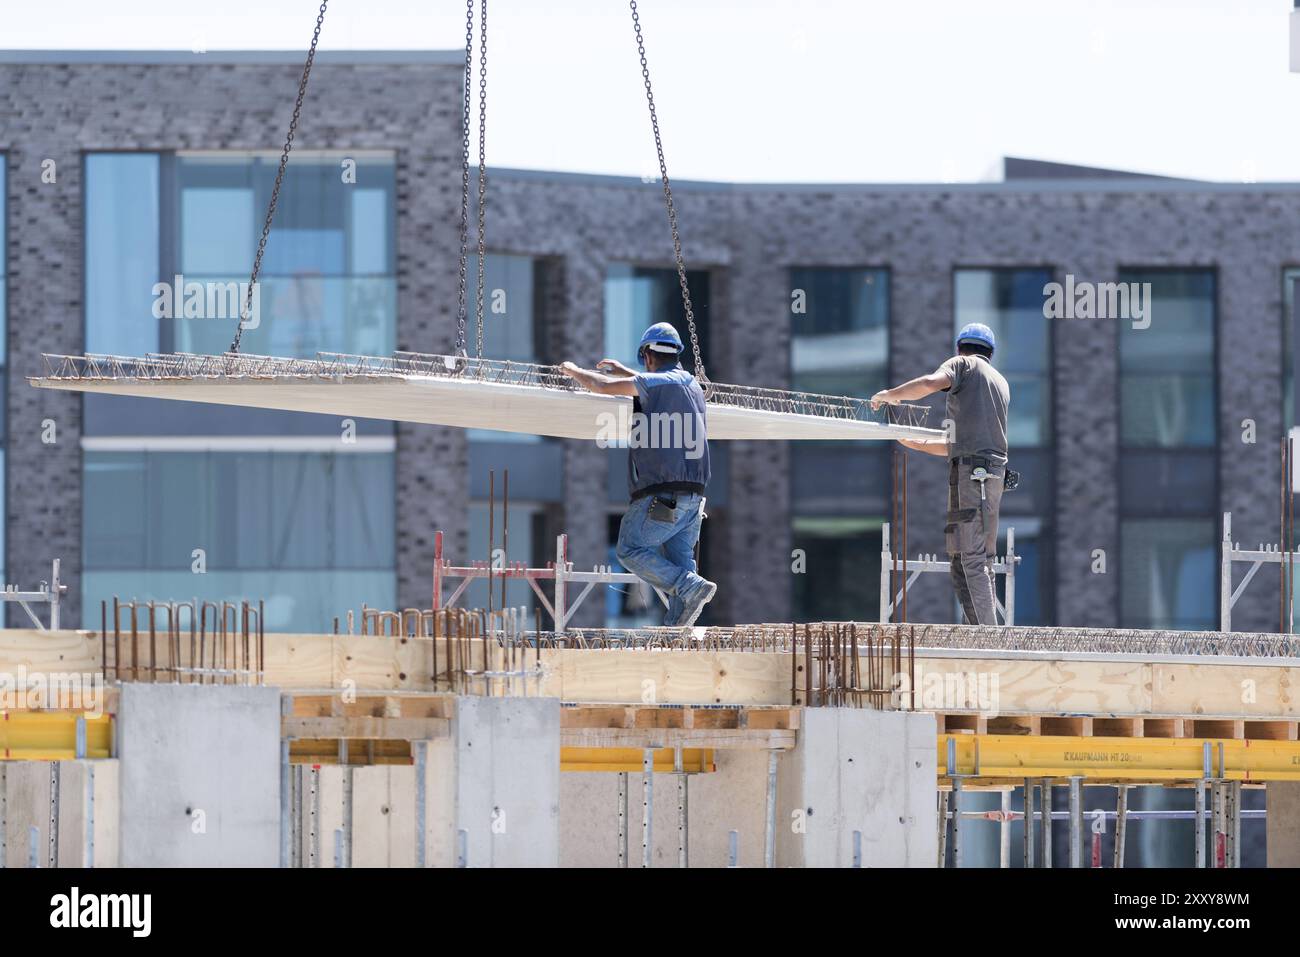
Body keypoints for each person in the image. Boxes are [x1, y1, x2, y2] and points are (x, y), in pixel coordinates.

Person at [560, 322, 716, 627]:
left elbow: (602, 387)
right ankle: (676, 635)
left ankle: (690, 585)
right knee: (681, 574)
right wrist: (624, 372)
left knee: (630, 549)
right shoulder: (692, 385)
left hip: (663, 496)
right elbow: (655, 384)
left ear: (647, 355)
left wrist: (573, 370)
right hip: (694, 500)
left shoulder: (658, 383)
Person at [870, 322, 1010, 625]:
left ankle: (989, 642)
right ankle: (981, 636)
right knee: (967, 559)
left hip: (972, 476)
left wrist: (891, 395)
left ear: (960, 347)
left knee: (970, 559)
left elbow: (930, 382)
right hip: (988, 476)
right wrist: (915, 443)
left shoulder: (963, 365)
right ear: (991, 353)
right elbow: (958, 444)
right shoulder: (999, 382)